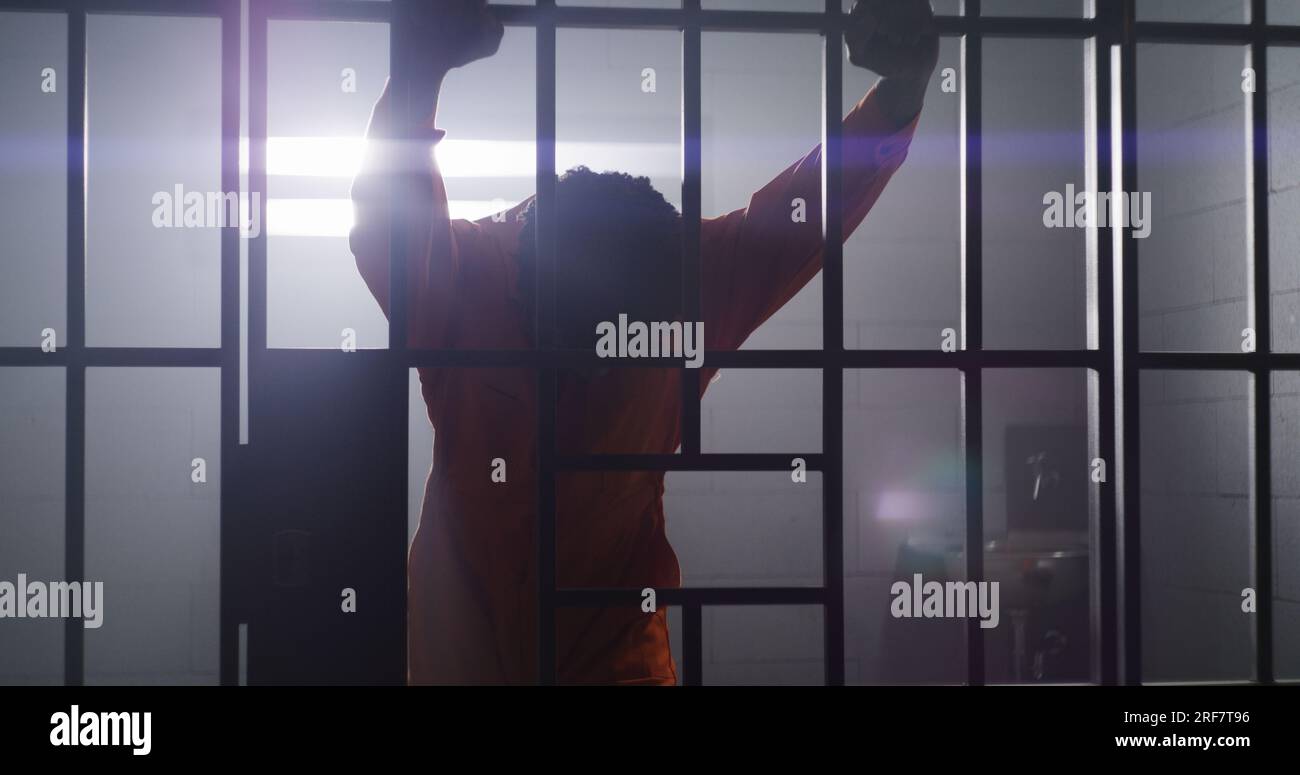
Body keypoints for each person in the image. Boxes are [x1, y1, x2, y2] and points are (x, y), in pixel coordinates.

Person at [349, 0, 939, 685]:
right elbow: (385, 227)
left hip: (617, 656)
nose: (598, 375)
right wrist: (417, 72)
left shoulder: (686, 282)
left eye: (623, 354)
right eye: (575, 350)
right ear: (525, 287)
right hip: (468, 655)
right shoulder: (468, 276)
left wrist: (901, 94)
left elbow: (804, 210)